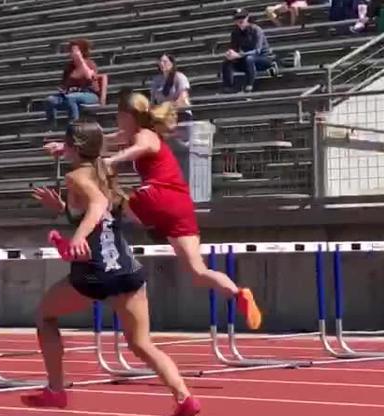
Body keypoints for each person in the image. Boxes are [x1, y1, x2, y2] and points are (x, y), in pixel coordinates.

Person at [27, 122, 202, 416]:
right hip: (126, 269)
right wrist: (62, 209)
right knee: (141, 343)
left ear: (74, 147)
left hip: (95, 272)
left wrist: (79, 236)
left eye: (65, 143)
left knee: (45, 316)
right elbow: (101, 207)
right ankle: (185, 397)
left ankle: (56, 390)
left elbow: (98, 205)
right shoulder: (105, 173)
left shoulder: (76, 176)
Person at [45, 92, 262, 330]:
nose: (117, 123)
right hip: (181, 204)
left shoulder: (145, 135)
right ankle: (237, 292)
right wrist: (66, 148)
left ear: (129, 116)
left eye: (119, 117)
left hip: (157, 194)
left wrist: (109, 162)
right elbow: (96, 141)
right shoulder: (132, 134)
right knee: (198, 272)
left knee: (112, 201)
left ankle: (138, 228)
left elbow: (134, 149)